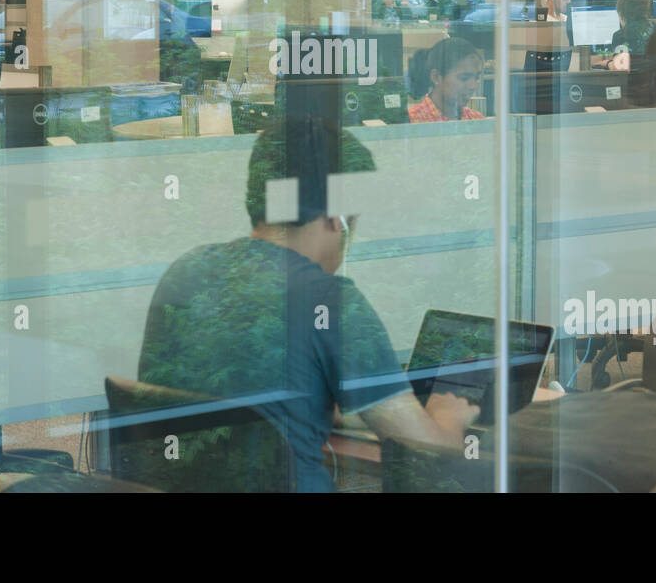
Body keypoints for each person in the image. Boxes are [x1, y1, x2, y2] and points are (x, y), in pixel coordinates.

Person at [137, 115, 479, 492]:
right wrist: (447, 417)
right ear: (337, 218)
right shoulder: (330, 300)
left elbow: (236, 393)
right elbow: (425, 448)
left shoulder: (186, 271)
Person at [408, 37, 486, 122]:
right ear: (436, 77)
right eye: (464, 78)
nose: (473, 86)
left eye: (477, 78)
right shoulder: (412, 121)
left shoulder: (476, 119)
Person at [595, 0, 655, 71]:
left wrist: (608, 63)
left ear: (621, 14)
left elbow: (620, 68)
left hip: (633, 82)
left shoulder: (621, 35)